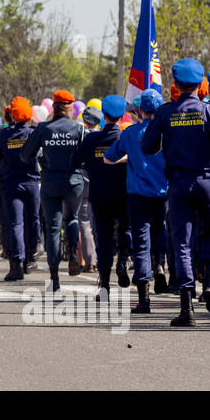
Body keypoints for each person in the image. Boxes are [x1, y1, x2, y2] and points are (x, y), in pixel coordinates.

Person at [140, 58, 210, 327]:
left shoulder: (165, 112)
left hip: (178, 184)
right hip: (208, 182)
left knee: (183, 243)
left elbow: (147, 147)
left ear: (175, 84)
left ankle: (187, 308)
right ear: (200, 85)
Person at [105, 89, 169, 312]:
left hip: (138, 194)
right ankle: (160, 264)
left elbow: (108, 157)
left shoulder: (130, 133)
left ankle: (144, 297)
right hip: (163, 192)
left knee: (141, 241)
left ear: (140, 110)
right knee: (160, 230)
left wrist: (128, 157)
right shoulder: (166, 133)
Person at [21, 89, 87, 290]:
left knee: (53, 228)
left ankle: (54, 277)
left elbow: (25, 155)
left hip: (50, 181)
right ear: (70, 108)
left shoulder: (43, 128)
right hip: (74, 181)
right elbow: (83, 156)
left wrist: (42, 156)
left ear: (54, 107)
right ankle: (74, 255)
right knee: (72, 218)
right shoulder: (79, 129)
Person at [72, 95, 131, 297]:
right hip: (124, 194)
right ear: (123, 115)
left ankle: (104, 284)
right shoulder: (125, 138)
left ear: (104, 116)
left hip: (100, 195)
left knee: (104, 239)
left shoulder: (91, 139)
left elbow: (75, 162)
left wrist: (91, 165)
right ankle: (123, 261)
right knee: (125, 231)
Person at [0, 97, 41, 281]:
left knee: (15, 224)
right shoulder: (33, 133)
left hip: (11, 184)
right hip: (32, 183)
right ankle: (32, 254)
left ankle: (16, 266)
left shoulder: (4, 135)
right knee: (33, 220)